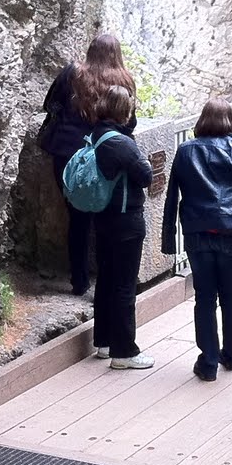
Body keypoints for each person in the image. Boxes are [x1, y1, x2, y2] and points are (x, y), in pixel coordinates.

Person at [160, 98, 232, 381]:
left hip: (198, 230)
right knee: (231, 295)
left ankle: (209, 361)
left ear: (202, 120)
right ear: (230, 123)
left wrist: (168, 239)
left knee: (204, 297)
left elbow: (172, 194)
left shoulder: (186, 150)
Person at [39, 34, 138, 295]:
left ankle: (79, 280)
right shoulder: (125, 81)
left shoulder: (72, 73)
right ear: (117, 54)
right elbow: (129, 123)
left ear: (90, 51)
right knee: (106, 220)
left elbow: (50, 105)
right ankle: (104, 284)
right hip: (107, 154)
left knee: (78, 218)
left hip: (69, 155)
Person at [85, 85, 155, 369]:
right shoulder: (121, 143)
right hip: (126, 220)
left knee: (106, 280)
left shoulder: (96, 134)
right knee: (125, 285)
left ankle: (103, 341)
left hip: (103, 217)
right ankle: (124, 352)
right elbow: (146, 175)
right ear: (123, 111)